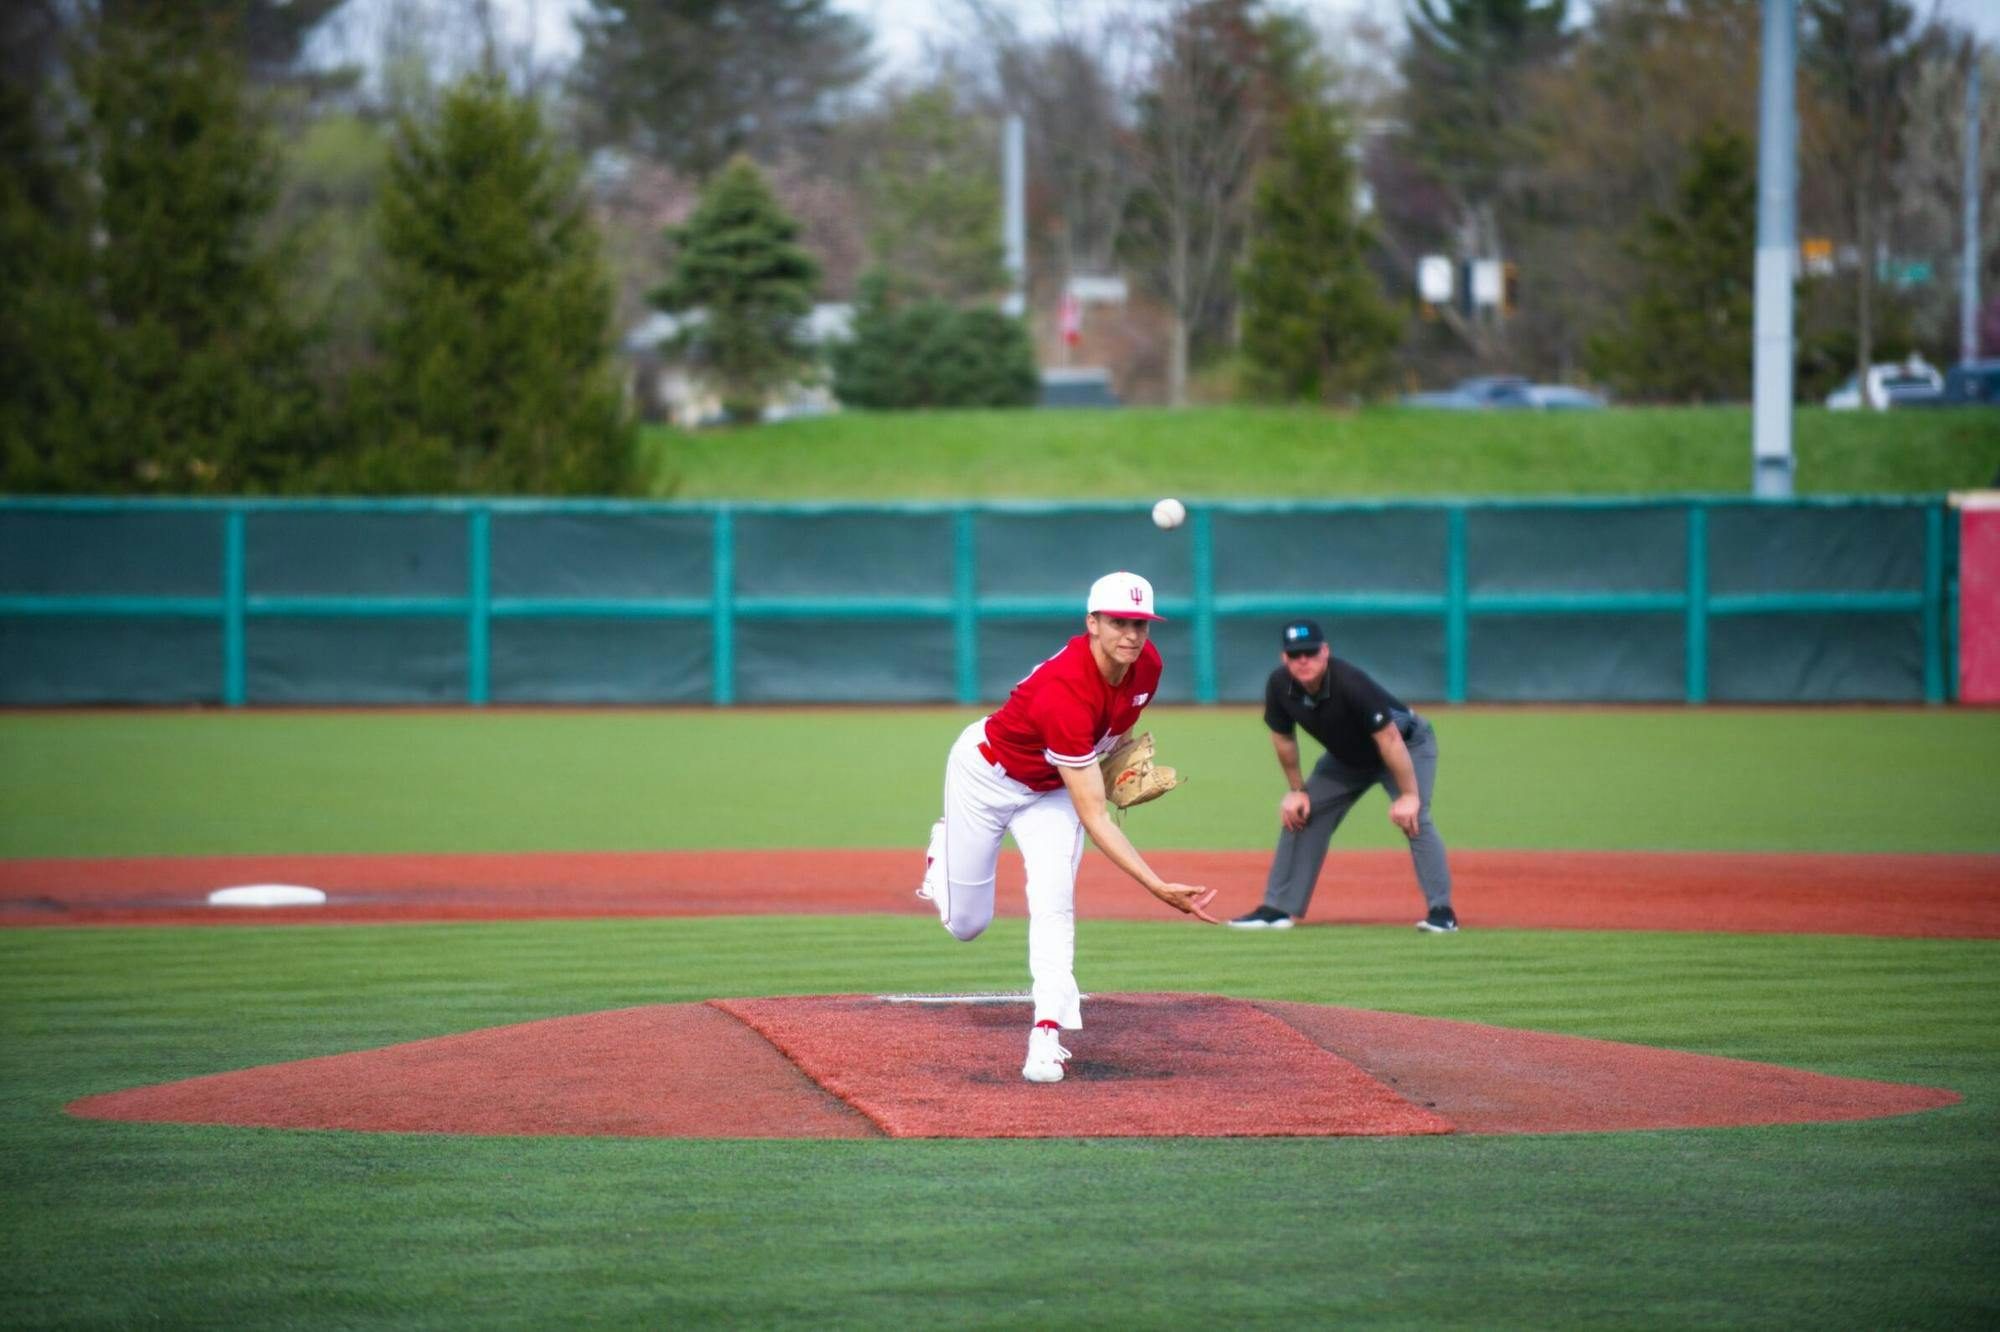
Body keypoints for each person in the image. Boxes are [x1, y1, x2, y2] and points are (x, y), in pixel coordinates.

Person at [917, 571, 1217, 1083]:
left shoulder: (1147, 666)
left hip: (1051, 790)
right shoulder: (1064, 690)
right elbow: (1095, 813)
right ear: (1092, 623)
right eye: (1120, 622)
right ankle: (945, 844)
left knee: (1054, 904)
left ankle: (1046, 1036)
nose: (1132, 635)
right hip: (985, 778)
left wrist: (1101, 760)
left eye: (1141, 624)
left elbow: (1109, 733)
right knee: (966, 926)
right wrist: (1155, 885)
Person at [1229, 618, 1458, 933]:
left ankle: (1442, 913)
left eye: (1310, 652)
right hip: (1347, 758)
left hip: (1405, 746)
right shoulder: (1280, 685)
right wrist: (1297, 790)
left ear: (1325, 651)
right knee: (1301, 813)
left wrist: (1409, 796)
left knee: (1415, 817)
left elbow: (1389, 739)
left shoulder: (1349, 682)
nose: (1304, 661)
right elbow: (1283, 738)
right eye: (1296, 655)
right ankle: (1276, 909)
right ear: (1285, 658)